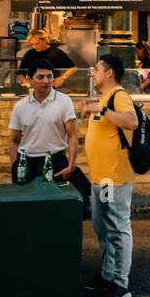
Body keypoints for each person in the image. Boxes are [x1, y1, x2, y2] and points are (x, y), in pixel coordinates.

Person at [80, 54, 140, 297]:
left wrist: (102, 109)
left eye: (96, 69)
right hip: (101, 177)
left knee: (117, 228)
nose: (92, 73)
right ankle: (107, 275)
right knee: (102, 228)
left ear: (109, 73)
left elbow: (132, 122)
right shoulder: (105, 98)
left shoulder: (118, 96)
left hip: (114, 177)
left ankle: (120, 284)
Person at [9, 58, 92, 217]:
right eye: (40, 77)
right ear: (30, 80)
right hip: (28, 163)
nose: (46, 81)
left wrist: (71, 165)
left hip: (56, 162)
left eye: (49, 76)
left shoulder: (64, 101)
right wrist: (15, 166)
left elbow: (72, 136)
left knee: (67, 212)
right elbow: (14, 140)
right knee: (29, 214)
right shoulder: (21, 106)